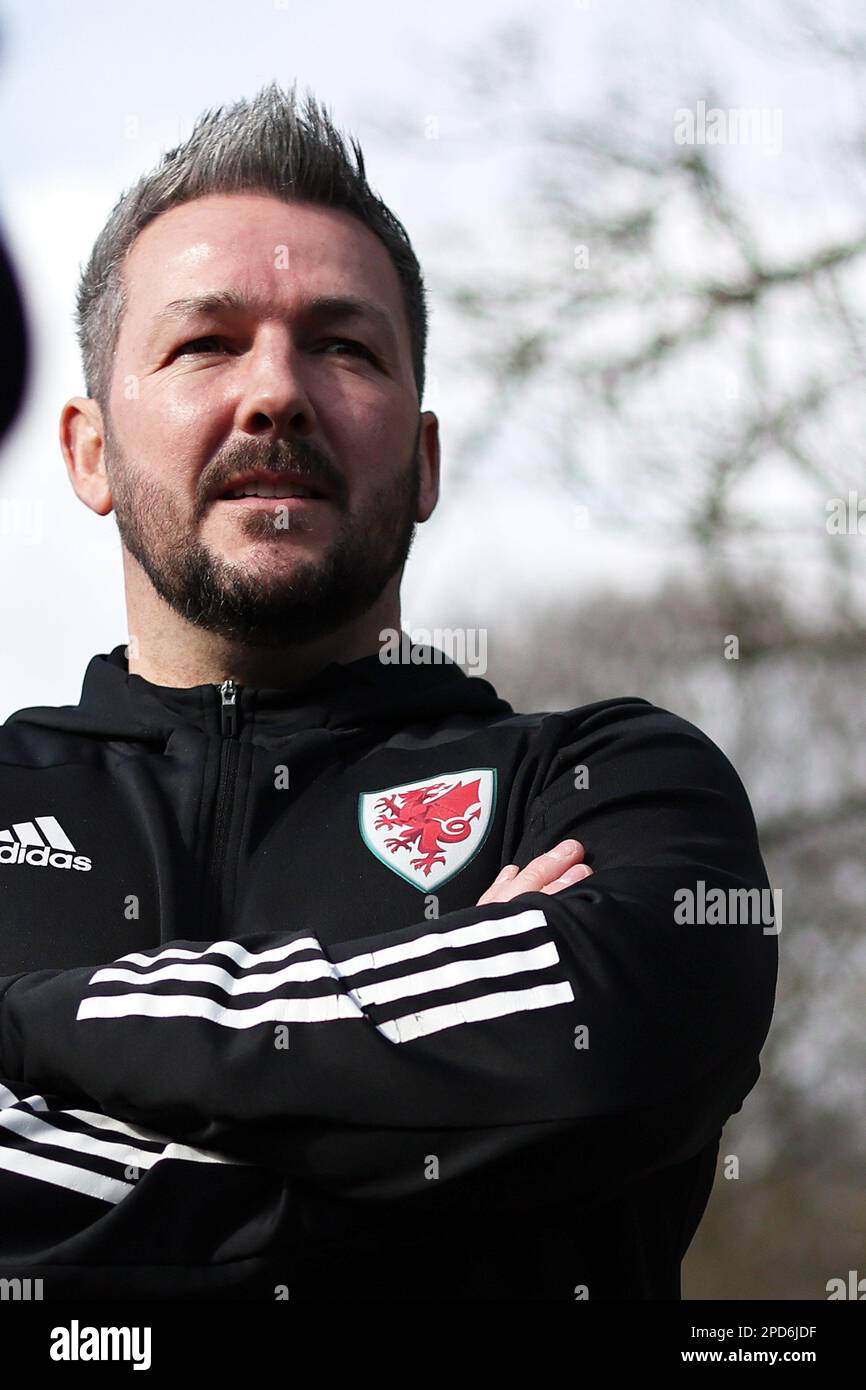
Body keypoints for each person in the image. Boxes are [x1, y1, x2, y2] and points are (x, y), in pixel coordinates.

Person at [0, 81, 776, 1301]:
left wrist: (24, 1033)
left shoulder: (599, 784)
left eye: (342, 346)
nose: (275, 392)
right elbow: (523, 1101)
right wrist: (445, 1036)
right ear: (90, 452)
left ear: (419, 461)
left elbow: (605, 1054)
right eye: (206, 343)